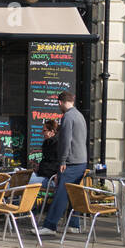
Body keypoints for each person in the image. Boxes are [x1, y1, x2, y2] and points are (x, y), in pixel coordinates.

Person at [42, 92, 88, 232]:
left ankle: (49, 226)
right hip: (81, 161)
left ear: (60, 102)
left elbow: (65, 141)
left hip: (71, 161)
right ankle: (74, 225)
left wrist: (62, 161)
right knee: (73, 193)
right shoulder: (79, 115)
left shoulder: (68, 116)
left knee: (61, 193)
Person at [29, 119, 60, 185]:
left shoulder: (58, 145)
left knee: (23, 181)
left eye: (44, 131)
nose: (42, 133)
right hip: (42, 175)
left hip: (50, 179)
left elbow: (55, 165)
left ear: (52, 132)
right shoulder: (47, 143)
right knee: (19, 175)